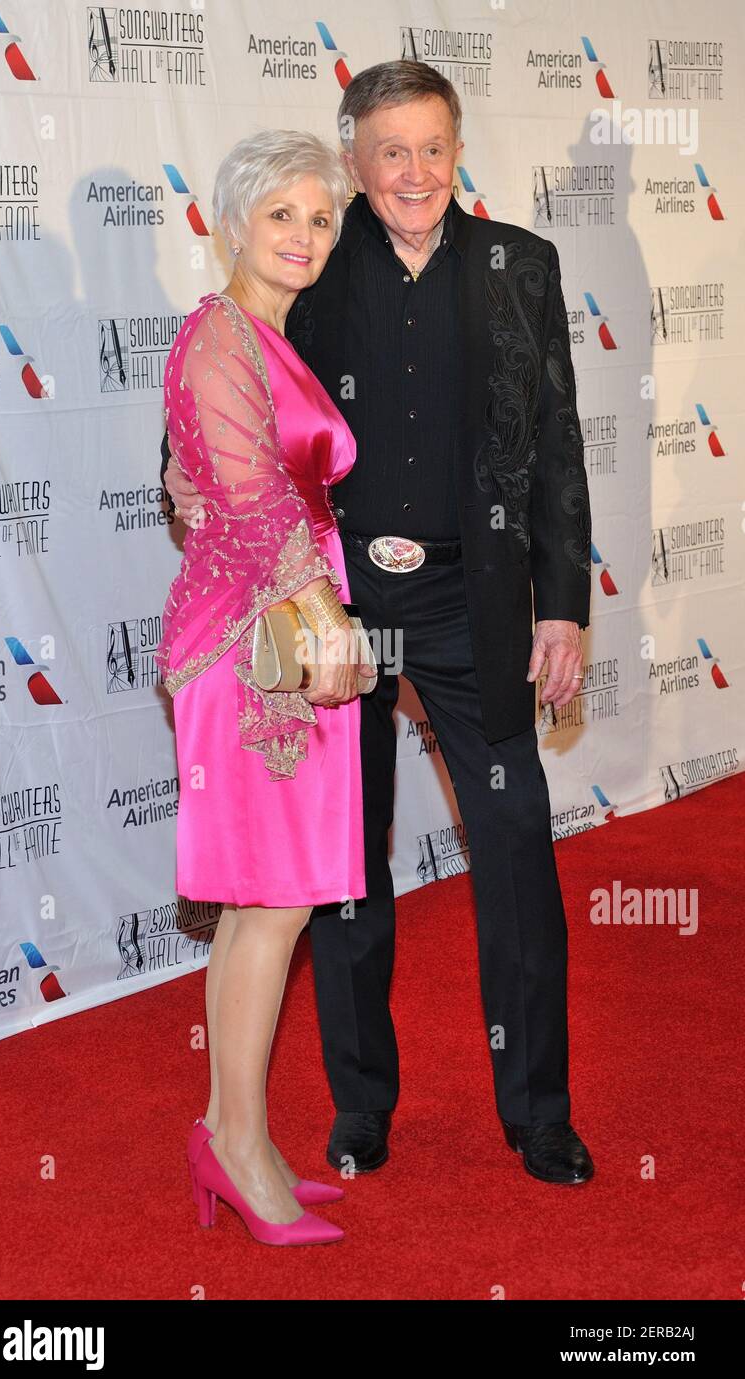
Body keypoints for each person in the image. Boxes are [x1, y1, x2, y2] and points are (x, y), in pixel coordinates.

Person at [162, 61, 595, 1186]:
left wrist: (566, 607)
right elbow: (226, 391)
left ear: (459, 154)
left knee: (514, 853)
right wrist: (174, 471)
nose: (414, 172)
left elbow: (557, 449)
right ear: (351, 155)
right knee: (343, 868)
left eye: (434, 148)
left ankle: (538, 1111)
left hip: (473, 604)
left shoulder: (521, 268)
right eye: (389, 150)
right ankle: (361, 1111)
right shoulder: (307, 260)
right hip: (338, 613)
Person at [155, 130, 374, 1246]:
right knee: (272, 903)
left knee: (268, 905)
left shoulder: (271, 336)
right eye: (280, 214)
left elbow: (208, 477)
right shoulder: (217, 334)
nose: (302, 235)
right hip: (256, 647)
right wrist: (331, 618)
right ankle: (236, 1146)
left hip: (286, 627)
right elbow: (245, 499)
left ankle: (233, 1131)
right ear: (233, 221)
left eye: (320, 217)